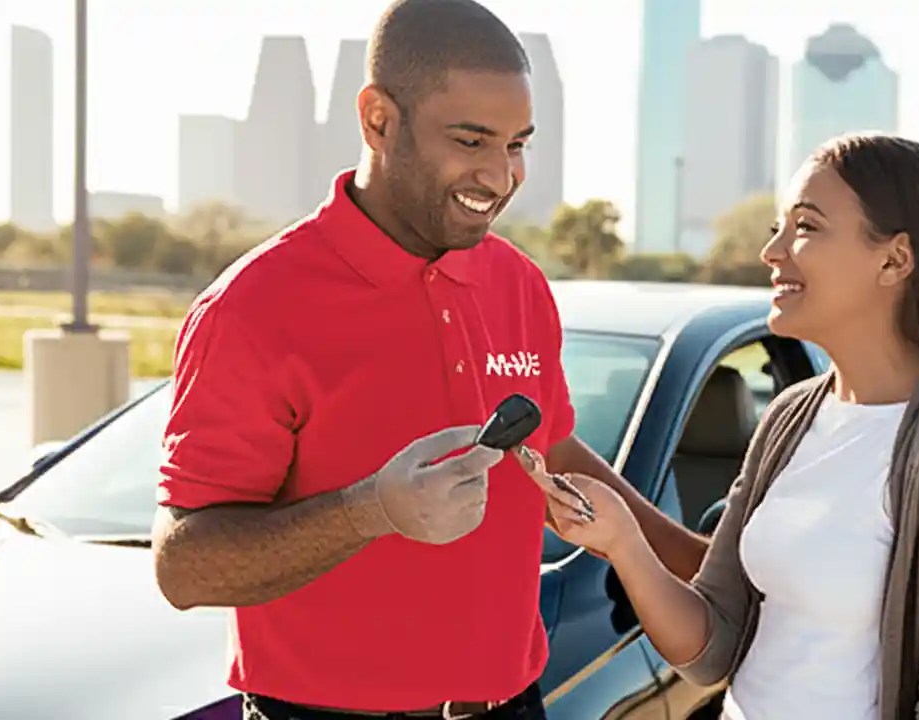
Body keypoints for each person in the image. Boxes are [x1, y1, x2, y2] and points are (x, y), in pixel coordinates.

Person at [149, 1, 689, 718]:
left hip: (515, 705)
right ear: (378, 119)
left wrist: (706, 564)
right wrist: (370, 510)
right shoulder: (253, 307)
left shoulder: (518, 284)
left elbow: (551, 449)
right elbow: (182, 567)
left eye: (518, 144)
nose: (499, 178)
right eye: (471, 141)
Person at [520, 134, 919, 720]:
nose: (772, 251)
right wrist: (622, 541)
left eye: (806, 226)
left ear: (895, 259)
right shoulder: (791, 417)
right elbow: (713, 645)